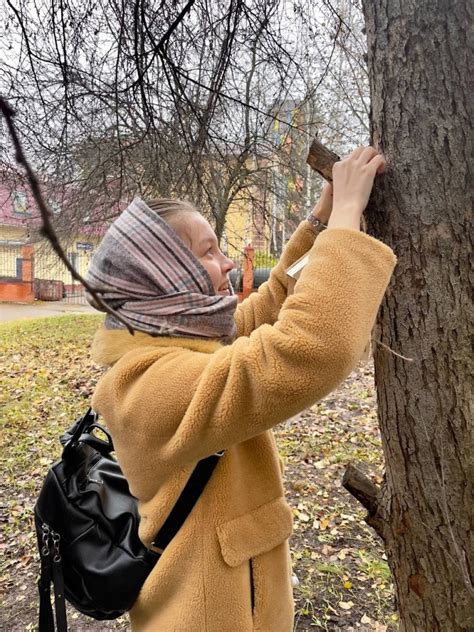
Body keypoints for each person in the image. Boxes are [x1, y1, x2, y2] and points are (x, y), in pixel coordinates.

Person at [86, 146, 396, 632]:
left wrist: (321, 218)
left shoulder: (182, 344)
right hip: (207, 616)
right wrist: (348, 220)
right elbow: (305, 349)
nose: (228, 262)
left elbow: (270, 306)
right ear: (165, 279)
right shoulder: (146, 386)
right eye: (208, 252)